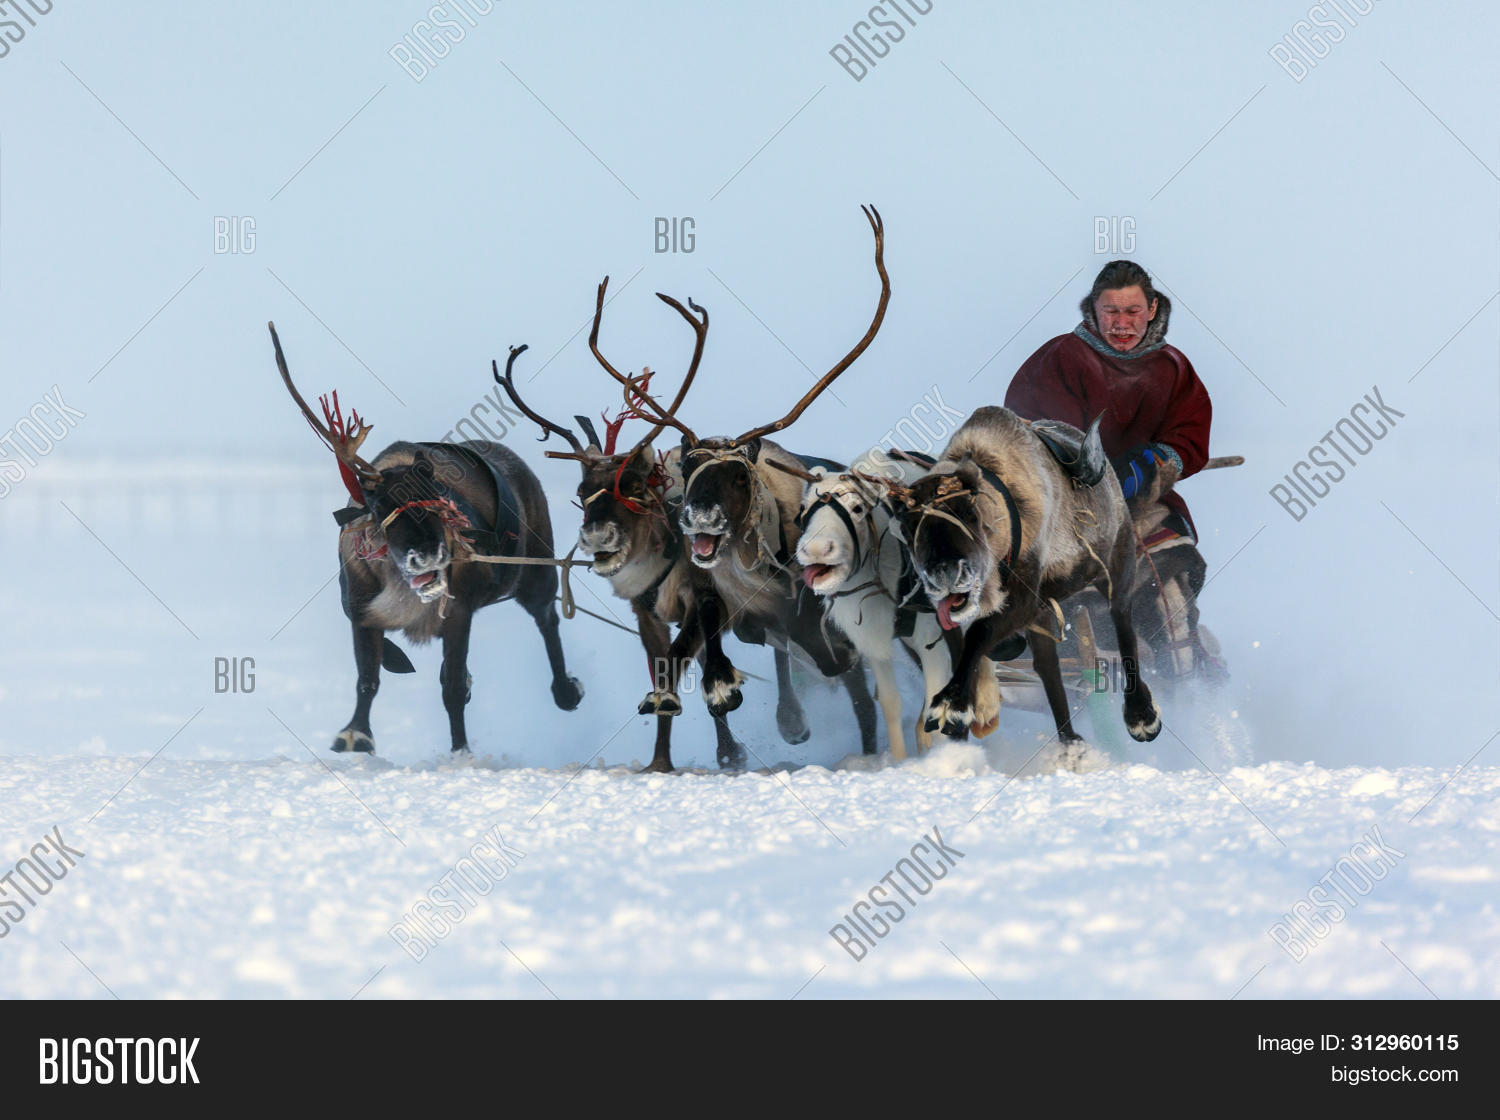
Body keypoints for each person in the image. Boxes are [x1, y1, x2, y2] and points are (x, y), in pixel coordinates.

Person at [1005, 259, 1224, 681]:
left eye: (1132, 312)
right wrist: (1084, 472)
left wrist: (1152, 462)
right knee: (1047, 588)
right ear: (1094, 310)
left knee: (1168, 583)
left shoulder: (1173, 368)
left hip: (1140, 507)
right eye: (1112, 312)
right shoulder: (1060, 358)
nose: (1121, 324)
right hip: (1064, 512)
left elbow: (1188, 435)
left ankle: (1186, 679)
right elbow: (1032, 431)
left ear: (1153, 310)